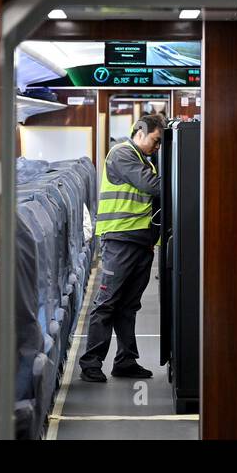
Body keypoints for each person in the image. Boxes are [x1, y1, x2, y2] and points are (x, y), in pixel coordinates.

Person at [79, 112, 167, 383]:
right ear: (140, 131)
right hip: (120, 239)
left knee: (129, 306)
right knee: (107, 303)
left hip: (140, 242)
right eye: (155, 140)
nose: (157, 146)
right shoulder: (122, 154)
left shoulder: (145, 160)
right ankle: (91, 363)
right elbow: (152, 187)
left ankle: (126, 360)